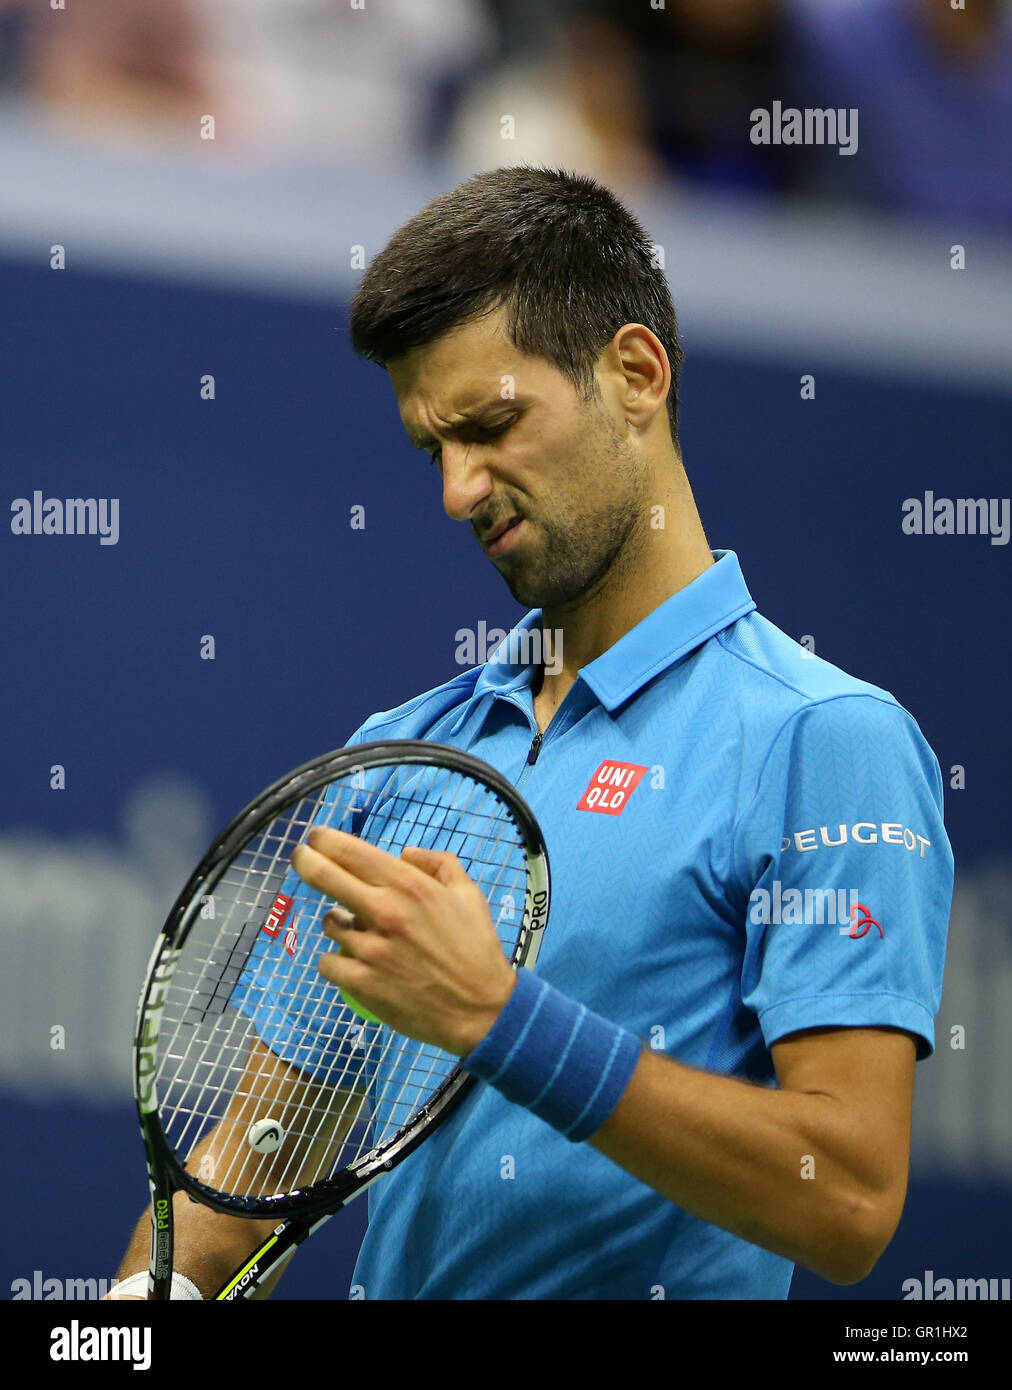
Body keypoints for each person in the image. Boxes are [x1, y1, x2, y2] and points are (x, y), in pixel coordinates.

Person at [113, 165, 952, 1300]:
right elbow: (254, 1158)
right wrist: (131, 1317)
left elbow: (848, 1197)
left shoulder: (825, 740)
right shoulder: (397, 753)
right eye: (433, 451)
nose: (459, 490)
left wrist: (497, 1016)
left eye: (494, 424)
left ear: (635, 374)